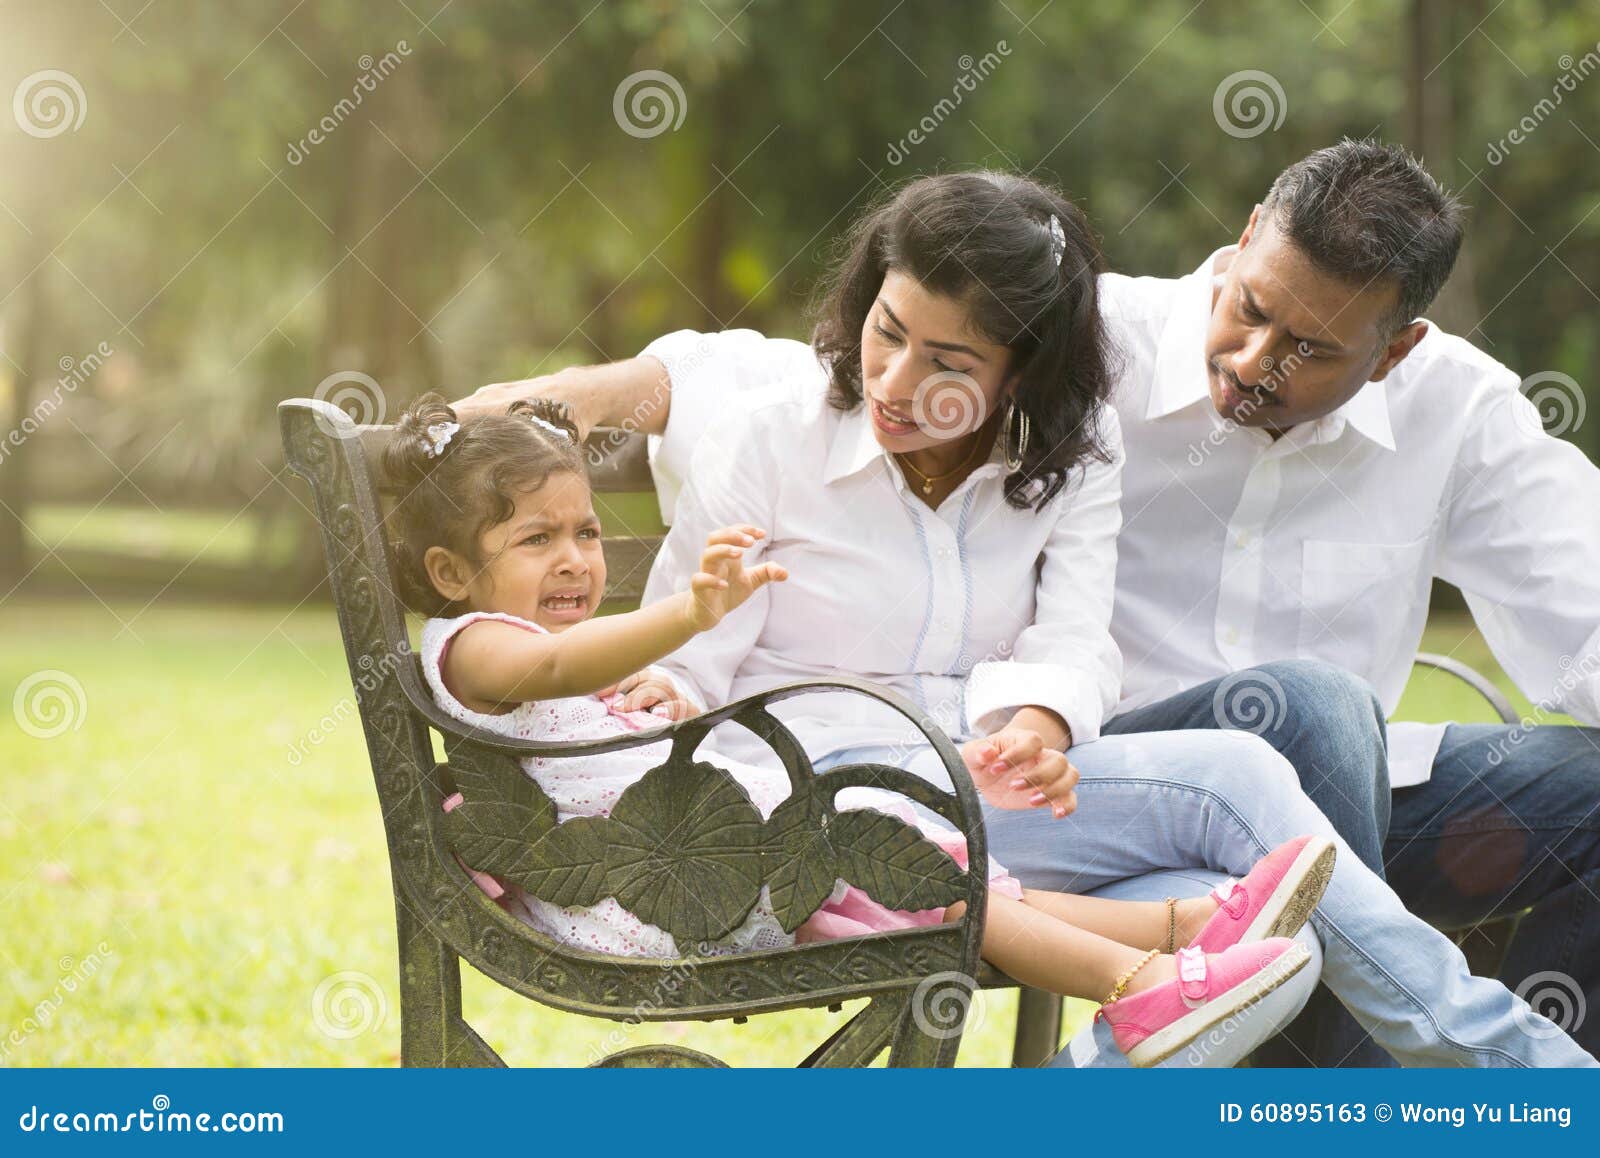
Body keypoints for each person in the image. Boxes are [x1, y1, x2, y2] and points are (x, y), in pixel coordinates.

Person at [460, 169, 1594, 1066]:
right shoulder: (855, 405)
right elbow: (757, 442)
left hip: (1038, 784)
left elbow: (1069, 635)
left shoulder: (1082, 452)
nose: (1253, 360)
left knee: (1280, 892)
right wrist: (546, 418)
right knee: (1278, 771)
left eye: (1308, 350)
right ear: (1244, 240)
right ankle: (1478, 1092)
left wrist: (1041, 718)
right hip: (909, 787)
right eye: (1251, 311)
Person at [380, 392, 1329, 1068]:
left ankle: (1182, 930)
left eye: (585, 533)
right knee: (930, 875)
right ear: (451, 574)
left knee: (942, 863)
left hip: (695, 858)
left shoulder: (544, 654)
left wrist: (657, 701)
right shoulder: (473, 648)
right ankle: (1139, 989)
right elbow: (554, 668)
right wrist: (687, 617)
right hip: (653, 900)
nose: (576, 560)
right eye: (536, 540)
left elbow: (577, 695)